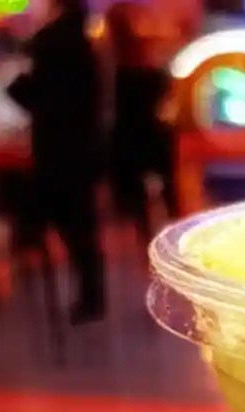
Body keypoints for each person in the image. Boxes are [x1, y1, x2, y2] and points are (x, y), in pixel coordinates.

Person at [8, 0, 106, 324]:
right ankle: (92, 295)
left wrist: (20, 89)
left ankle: (68, 293)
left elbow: (35, 93)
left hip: (55, 149)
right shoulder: (86, 45)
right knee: (83, 228)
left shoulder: (49, 44)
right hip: (82, 149)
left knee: (63, 221)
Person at [105, 2, 177, 245]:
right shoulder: (147, 76)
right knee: (162, 188)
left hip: (134, 131)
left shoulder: (119, 77)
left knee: (141, 195)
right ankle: (166, 238)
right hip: (146, 131)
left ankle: (151, 238)